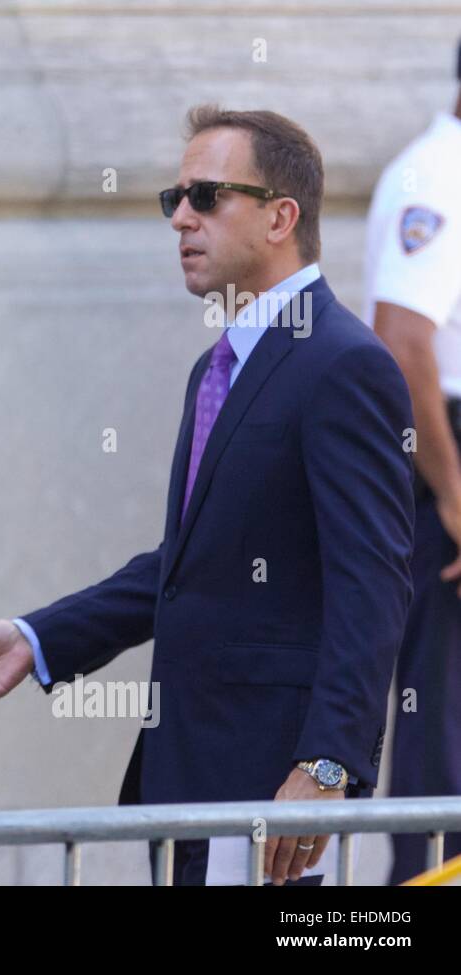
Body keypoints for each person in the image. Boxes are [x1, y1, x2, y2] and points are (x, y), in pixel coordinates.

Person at [0, 106, 415, 886]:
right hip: (191, 776)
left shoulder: (344, 365)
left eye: (208, 196)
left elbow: (375, 583)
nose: (180, 217)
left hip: (271, 793)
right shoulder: (218, 367)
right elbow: (185, 566)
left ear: (281, 216)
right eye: (173, 199)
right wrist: (37, 638)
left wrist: (326, 764)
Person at [365, 41, 461, 884]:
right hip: (448, 453)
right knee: (447, 723)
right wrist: (457, 496)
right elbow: (402, 340)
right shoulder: (438, 176)